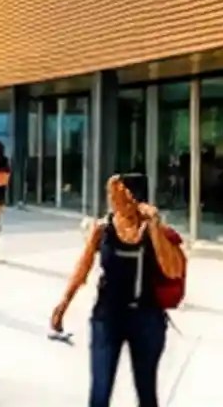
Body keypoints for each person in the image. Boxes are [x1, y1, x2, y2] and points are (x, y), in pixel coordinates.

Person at [50, 174, 186, 407]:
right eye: (110, 194)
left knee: (147, 393)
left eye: (118, 194)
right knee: (100, 394)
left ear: (134, 198)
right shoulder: (103, 229)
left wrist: (154, 227)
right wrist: (63, 304)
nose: (112, 199)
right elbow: (83, 267)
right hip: (107, 317)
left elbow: (173, 270)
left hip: (147, 318)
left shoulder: (154, 230)